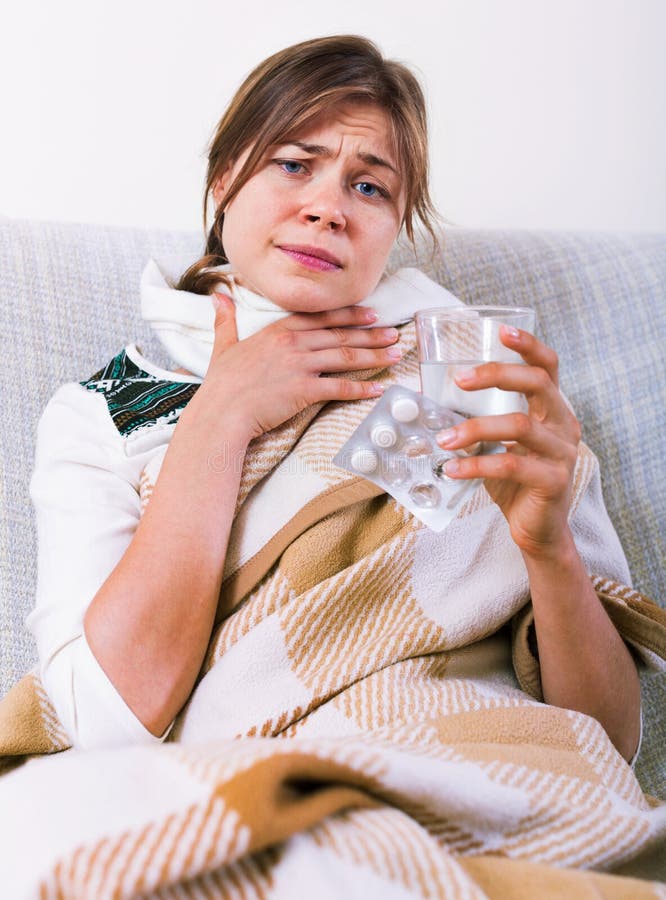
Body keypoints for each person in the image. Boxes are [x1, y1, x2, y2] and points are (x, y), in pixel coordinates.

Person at [26, 34, 640, 762]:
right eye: (293, 164)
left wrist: (551, 550)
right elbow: (100, 724)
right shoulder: (106, 411)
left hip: (489, 767)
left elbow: (611, 744)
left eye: (369, 186)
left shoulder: (478, 377)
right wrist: (219, 419)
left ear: (397, 228)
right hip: (256, 789)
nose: (327, 209)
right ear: (224, 181)